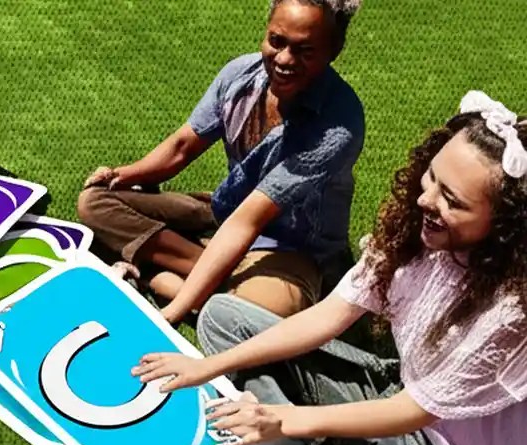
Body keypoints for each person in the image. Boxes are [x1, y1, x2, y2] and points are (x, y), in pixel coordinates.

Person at [133, 91, 527, 445]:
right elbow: (331, 314)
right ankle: (270, 414)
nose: (424, 200)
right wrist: (210, 366)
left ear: (505, 225)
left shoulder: (510, 313)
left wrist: (283, 421)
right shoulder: (419, 233)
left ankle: (272, 417)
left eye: (452, 201)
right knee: (222, 316)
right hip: (393, 387)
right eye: (431, 177)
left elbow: (413, 412)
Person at [77, 0, 364, 325]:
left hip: (292, 249)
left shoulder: (340, 125)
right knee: (95, 202)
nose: (284, 59)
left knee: (265, 311)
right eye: (276, 41)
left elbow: (251, 219)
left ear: (333, 50)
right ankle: (206, 278)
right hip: (224, 214)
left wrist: (172, 312)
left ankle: (156, 277)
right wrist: (123, 175)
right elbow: (182, 146)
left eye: (305, 51)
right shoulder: (240, 74)